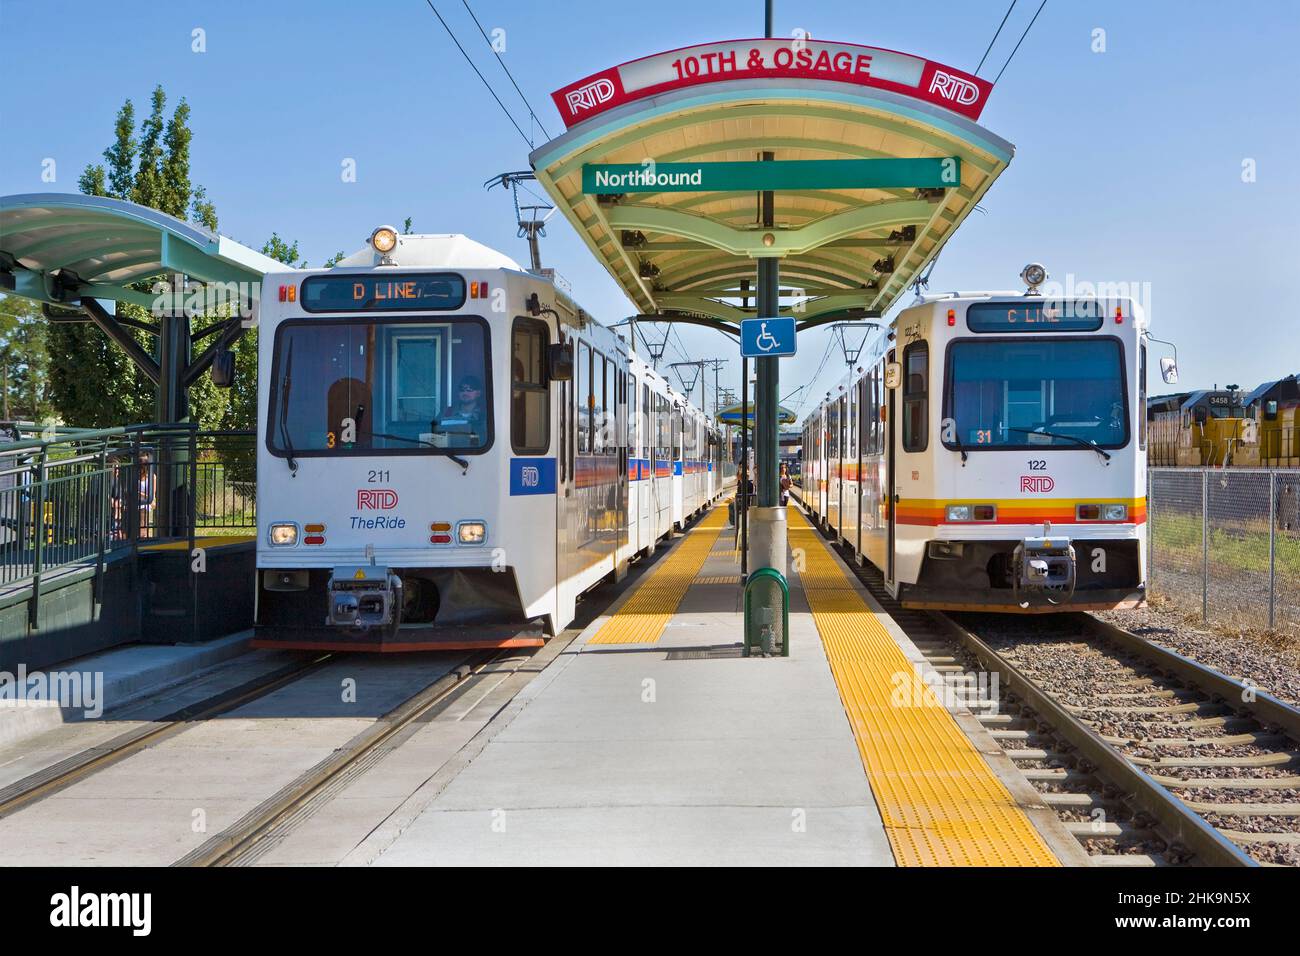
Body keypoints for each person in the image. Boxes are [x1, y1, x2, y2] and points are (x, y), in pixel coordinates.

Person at [437, 375, 486, 444]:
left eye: (469, 390)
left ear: (478, 393)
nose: (465, 393)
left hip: (477, 453)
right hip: (448, 452)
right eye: (462, 390)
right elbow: (433, 432)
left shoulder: (485, 414)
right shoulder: (447, 412)